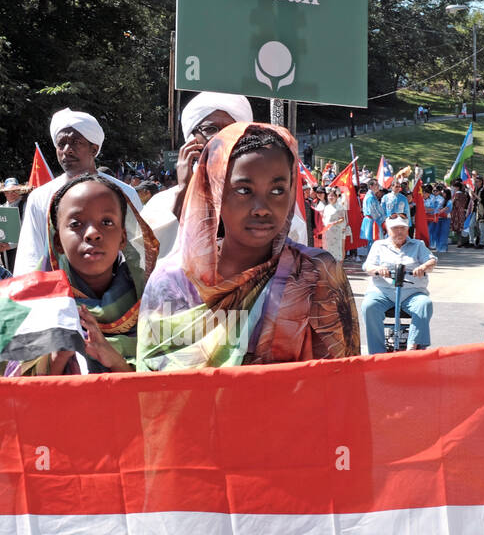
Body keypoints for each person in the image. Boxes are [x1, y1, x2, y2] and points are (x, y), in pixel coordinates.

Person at [136, 123, 358, 370]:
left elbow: (341, 380)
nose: (262, 208)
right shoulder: (172, 282)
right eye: (243, 190)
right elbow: (152, 383)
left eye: (277, 190)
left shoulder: (316, 273)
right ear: (215, 191)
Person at [4, 173, 157, 376]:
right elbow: (11, 398)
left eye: (107, 222)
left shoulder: (154, 301)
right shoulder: (30, 306)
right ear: (57, 241)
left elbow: (164, 392)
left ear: (123, 238)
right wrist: (57, 357)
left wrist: (114, 360)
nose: (92, 233)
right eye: (76, 224)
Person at [13, 108, 141, 275]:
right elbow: (29, 255)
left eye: (76, 142)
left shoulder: (125, 194)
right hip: (57, 295)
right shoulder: (40, 197)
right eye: (61, 143)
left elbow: (138, 251)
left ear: (94, 149)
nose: (67, 149)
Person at [142, 92, 253, 262]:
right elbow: (150, 257)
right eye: (210, 129)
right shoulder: (160, 204)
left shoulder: (260, 199)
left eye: (231, 129)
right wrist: (184, 191)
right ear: (192, 140)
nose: (220, 137)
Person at [361, 212, 435, 351]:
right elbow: (367, 266)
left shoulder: (418, 244)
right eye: (395, 228)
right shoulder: (379, 245)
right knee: (369, 306)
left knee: (424, 304)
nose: (399, 231)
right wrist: (378, 269)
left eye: (403, 228)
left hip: (411, 292)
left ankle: (413, 346)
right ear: (388, 230)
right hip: (383, 291)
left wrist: (423, 267)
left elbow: (431, 260)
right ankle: (377, 352)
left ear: (408, 229)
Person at [320, 186, 350, 261]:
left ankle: (339, 265)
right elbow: (324, 218)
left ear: (336, 197)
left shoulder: (340, 207)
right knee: (328, 249)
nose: (331, 197)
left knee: (339, 249)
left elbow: (342, 219)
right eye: (329, 196)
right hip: (328, 232)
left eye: (333, 196)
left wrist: (334, 223)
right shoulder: (326, 207)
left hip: (337, 231)